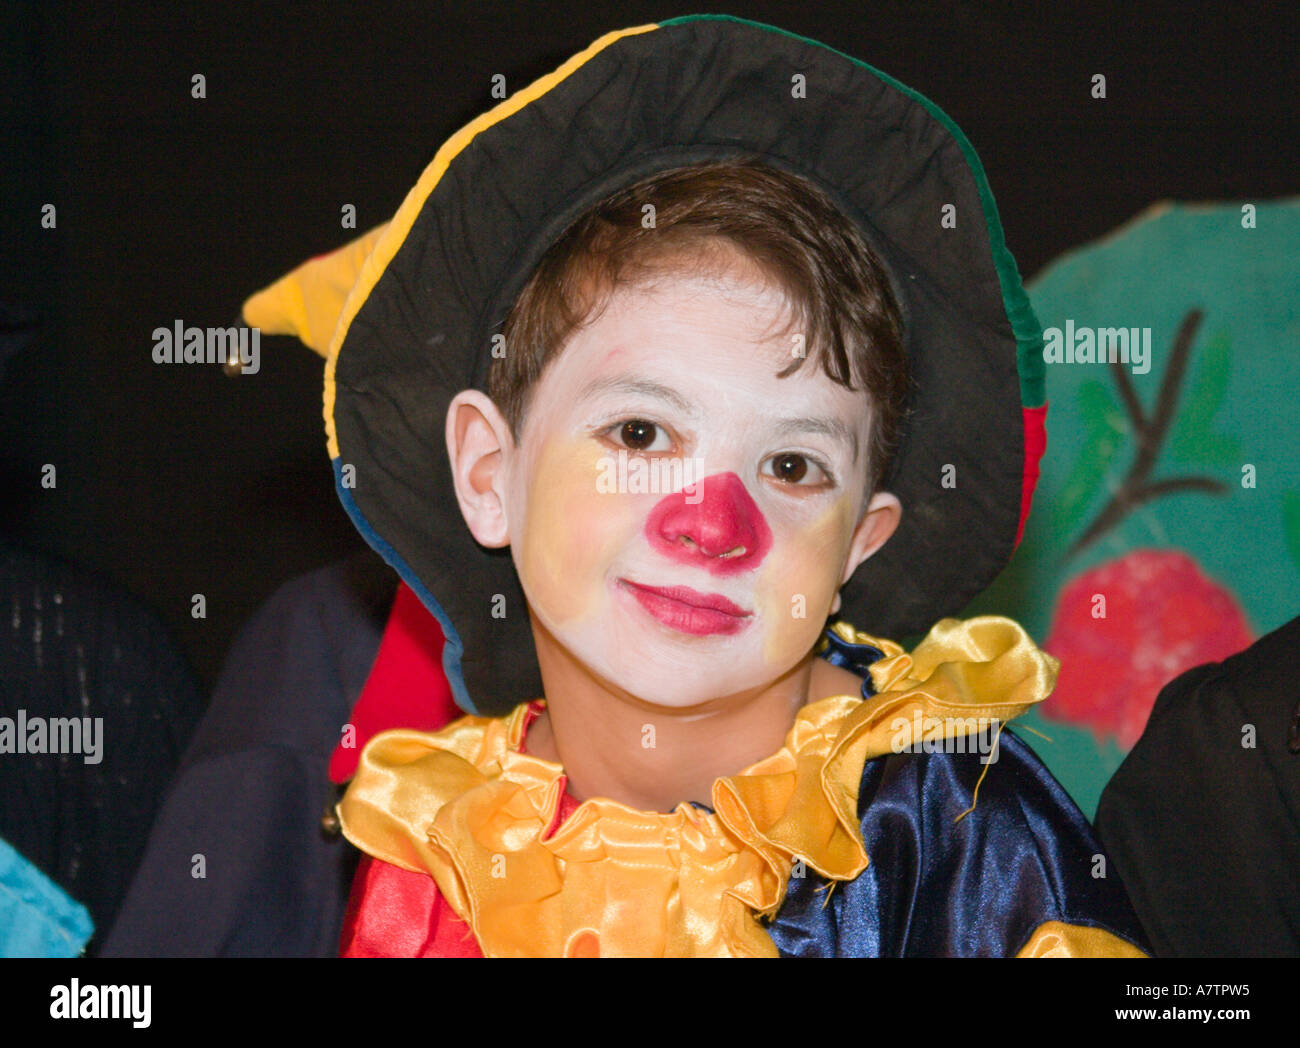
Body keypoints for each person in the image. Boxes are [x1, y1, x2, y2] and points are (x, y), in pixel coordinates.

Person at [275, 16, 1149, 957]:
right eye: (641, 433)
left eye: (792, 467)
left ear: (861, 539)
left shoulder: (962, 843)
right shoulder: (434, 847)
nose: (714, 526)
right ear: (491, 475)